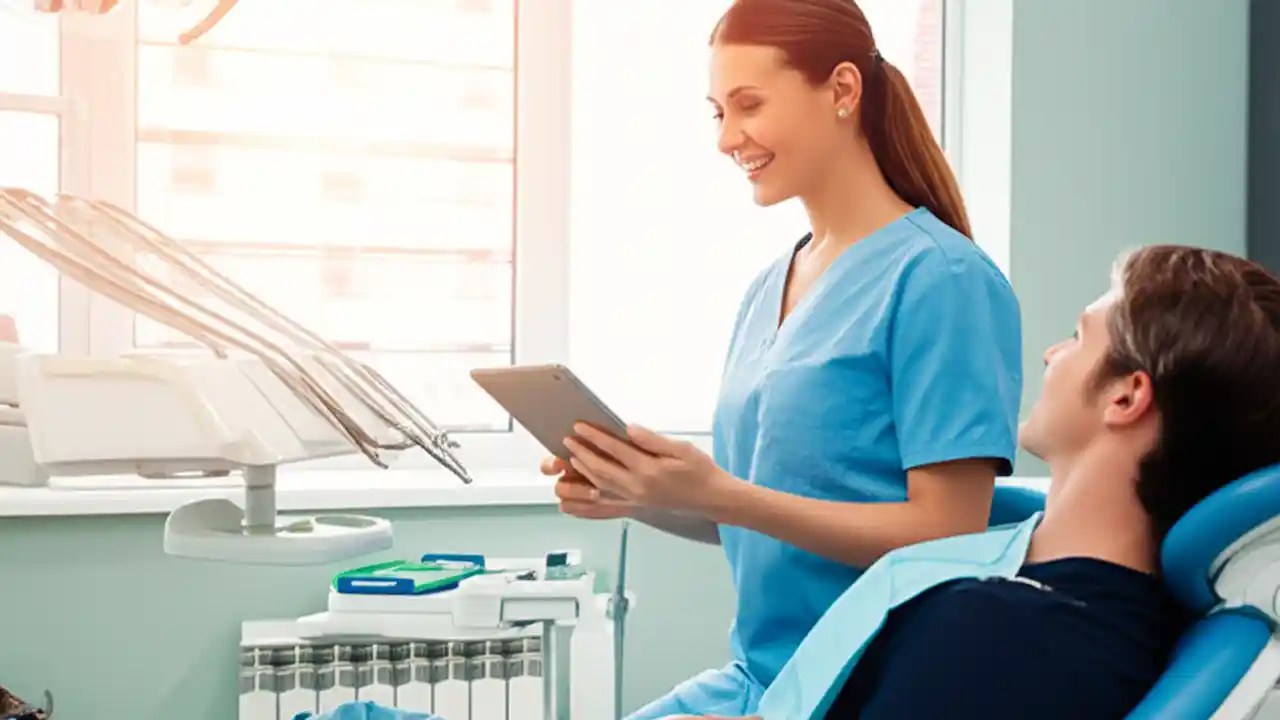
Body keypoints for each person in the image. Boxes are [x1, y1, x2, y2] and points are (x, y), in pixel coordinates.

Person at [542, 0, 1023, 716]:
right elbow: (770, 510)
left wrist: (722, 495)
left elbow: (947, 532)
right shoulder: (772, 285)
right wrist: (644, 493)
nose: (727, 138)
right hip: (762, 680)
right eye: (717, 113)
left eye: (749, 105)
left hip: (863, 689)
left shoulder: (942, 281)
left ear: (841, 91)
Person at [659, 244, 1280, 719]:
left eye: (1079, 336)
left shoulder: (1003, 636)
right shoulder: (1069, 599)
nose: (1051, 355)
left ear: (1126, 396)